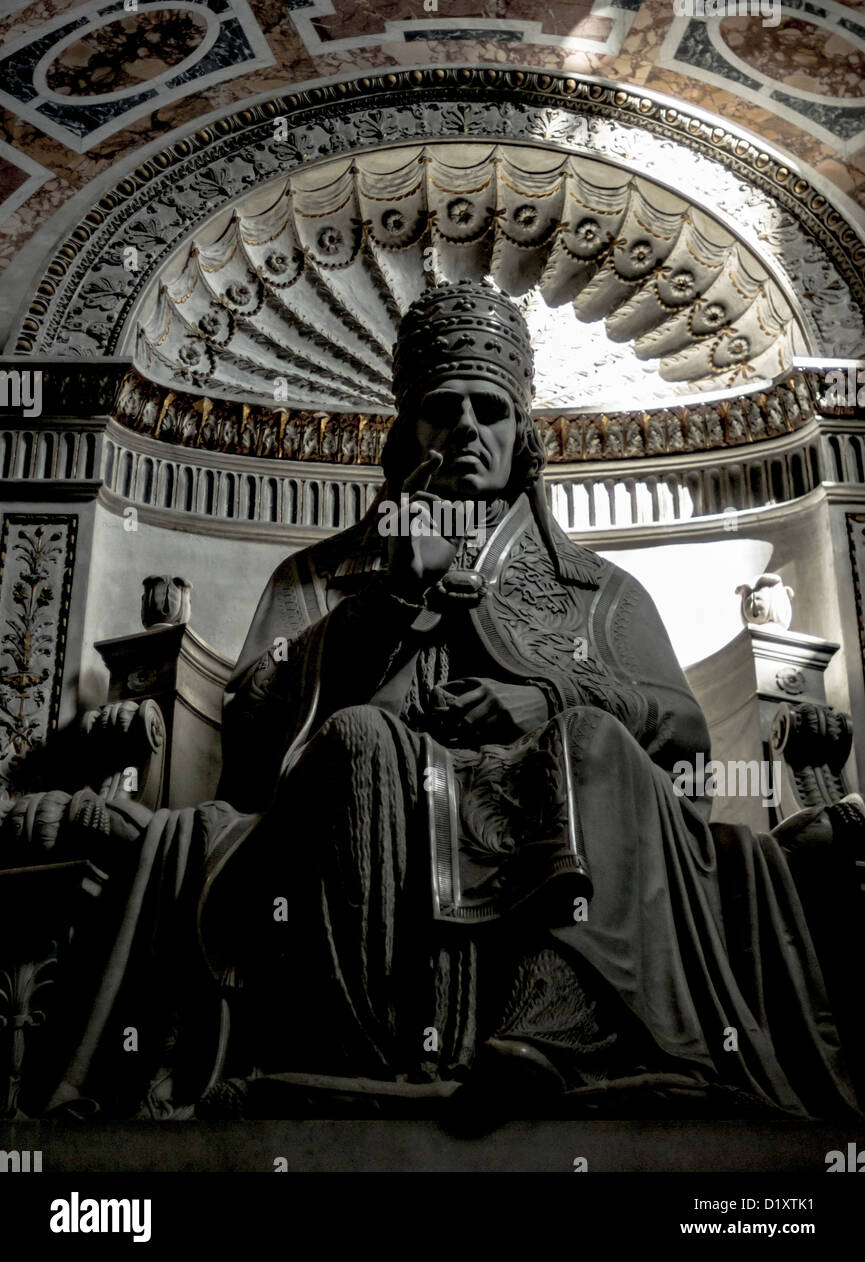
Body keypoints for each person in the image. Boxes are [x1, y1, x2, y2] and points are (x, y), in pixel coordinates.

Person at [1, 281, 859, 1120]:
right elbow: (252, 747)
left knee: (592, 737)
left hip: (556, 802)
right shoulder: (319, 575)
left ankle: (548, 1035)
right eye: (440, 409)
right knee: (362, 740)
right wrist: (379, 605)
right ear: (404, 432)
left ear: (522, 436)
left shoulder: (599, 590)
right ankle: (367, 1056)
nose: (464, 429)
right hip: (369, 805)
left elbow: (685, 738)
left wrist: (547, 698)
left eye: (488, 411)